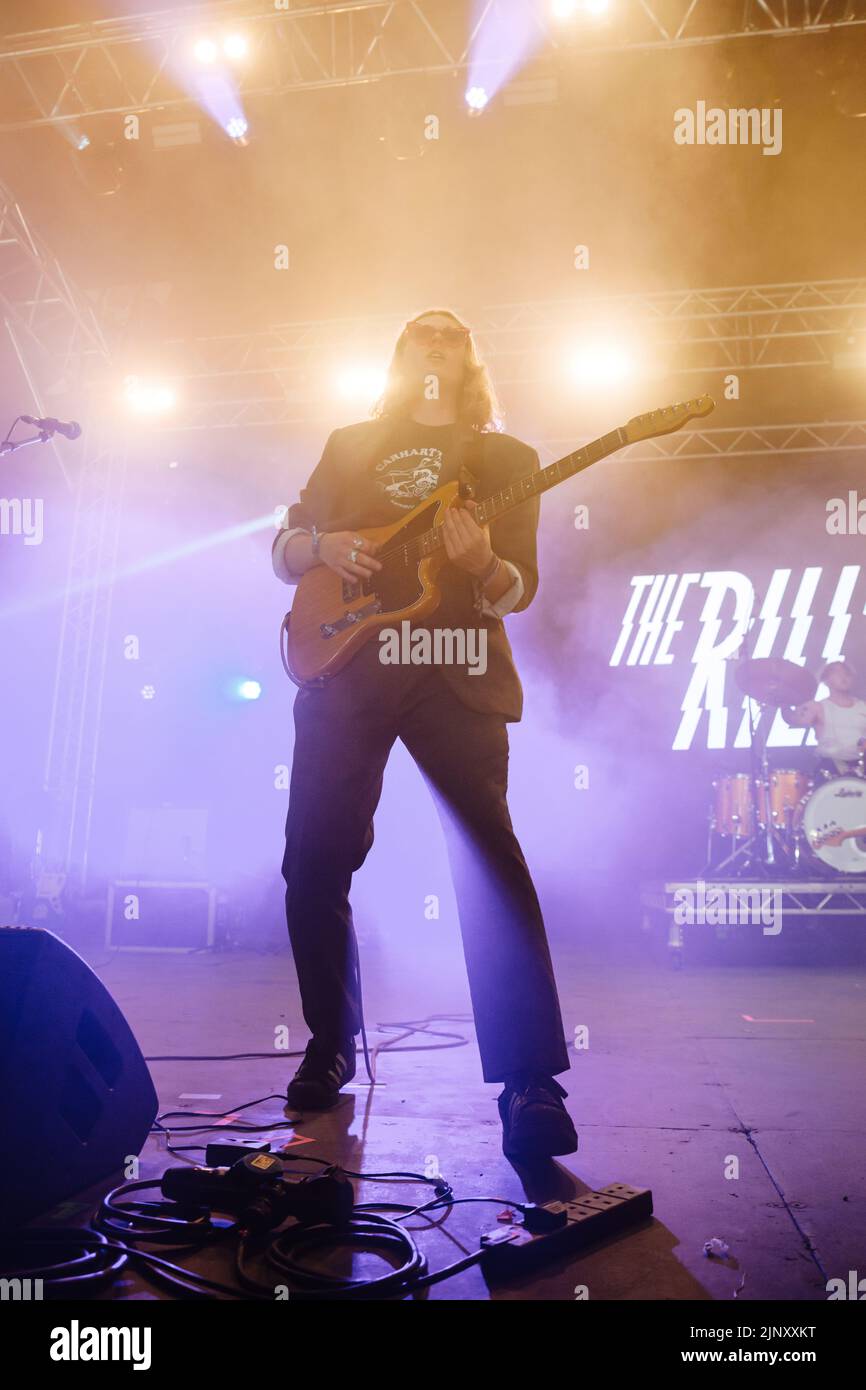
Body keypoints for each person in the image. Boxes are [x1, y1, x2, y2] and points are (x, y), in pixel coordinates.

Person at [271, 308, 576, 1159]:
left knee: (489, 861)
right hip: (349, 669)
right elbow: (283, 546)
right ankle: (330, 1045)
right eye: (421, 331)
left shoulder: (507, 461)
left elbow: (520, 589)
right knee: (314, 860)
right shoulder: (350, 444)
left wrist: (481, 563)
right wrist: (320, 544)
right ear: (401, 356)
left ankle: (529, 1081)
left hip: (457, 671)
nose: (437, 337)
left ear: (471, 360)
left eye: (454, 332)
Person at [781, 659, 866, 776]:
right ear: (826, 680)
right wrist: (782, 700)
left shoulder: (862, 706)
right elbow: (792, 719)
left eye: (846, 672)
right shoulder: (817, 707)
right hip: (830, 769)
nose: (843, 676)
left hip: (860, 769)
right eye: (837, 672)